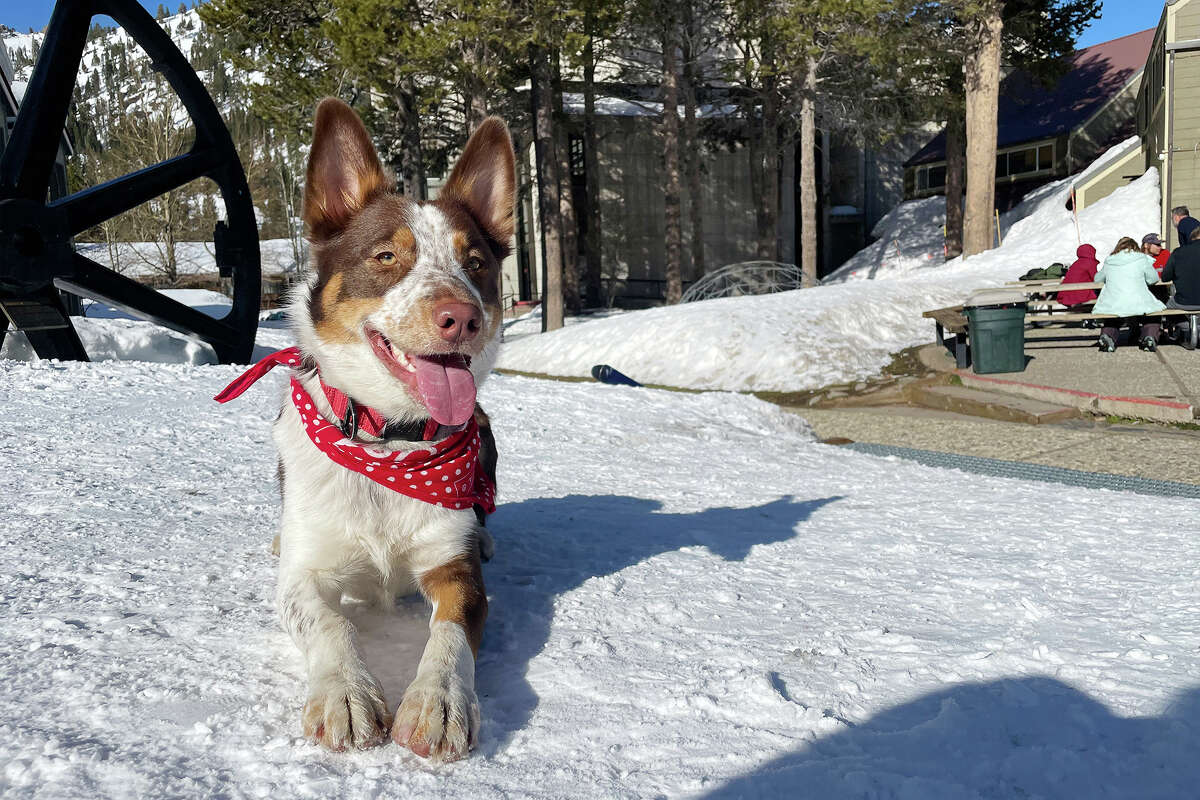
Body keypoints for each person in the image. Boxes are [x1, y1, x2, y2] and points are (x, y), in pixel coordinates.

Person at [1093, 236, 1165, 352]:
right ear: (1135, 248)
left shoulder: (1110, 260)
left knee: (1113, 317)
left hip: (1114, 303)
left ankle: (1108, 335)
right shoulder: (1142, 259)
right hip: (1139, 301)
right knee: (1153, 315)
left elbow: (1097, 280)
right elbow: (1153, 279)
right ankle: (1149, 336)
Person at [1162, 225, 1200, 348]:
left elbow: (1165, 277)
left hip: (1183, 301)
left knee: (1167, 307)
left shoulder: (1178, 252)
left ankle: (1184, 326)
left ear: (1192, 238)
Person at [1058, 244, 1099, 308]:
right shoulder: (1090, 262)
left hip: (1066, 294)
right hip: (1079, 294)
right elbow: (1096, 278)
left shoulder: (1076, 263)